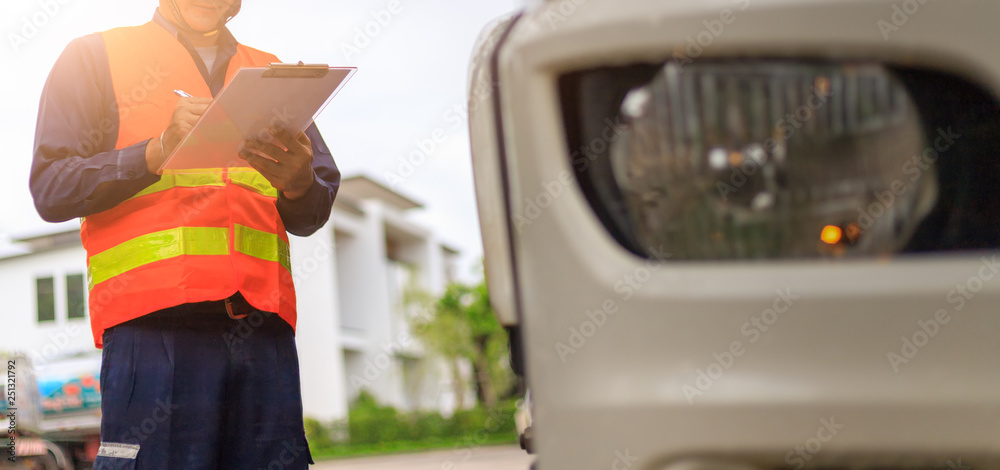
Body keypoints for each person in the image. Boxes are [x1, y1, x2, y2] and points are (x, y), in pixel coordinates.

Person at [29, 1, 340, 468]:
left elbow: (313, 209)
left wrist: (299, 184)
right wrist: (154, 152)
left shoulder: (271, 73)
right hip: (153, 335)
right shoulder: (96, 58)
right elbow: (51, 187)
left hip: (263, 336)